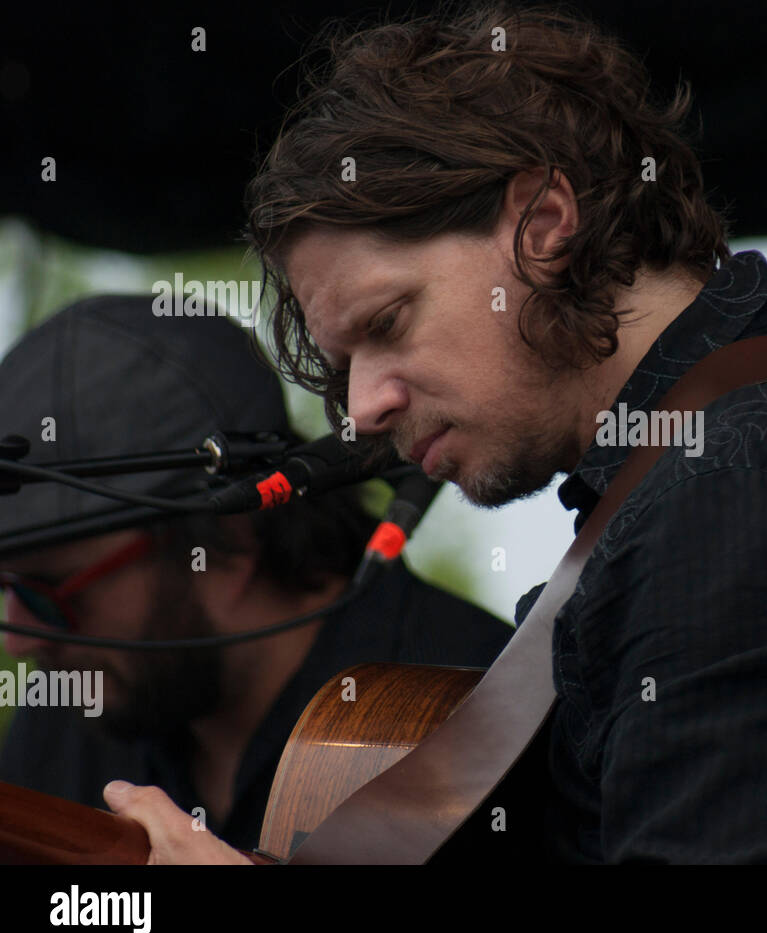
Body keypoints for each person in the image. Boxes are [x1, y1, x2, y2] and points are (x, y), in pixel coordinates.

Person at [106, 3, 767, 863]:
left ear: (545, 222)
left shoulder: (738, 494)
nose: (360, 408)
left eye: (389, 323)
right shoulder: (691, 482)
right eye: (341, 364)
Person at [0, 294, 514, 850]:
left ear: (232, 540)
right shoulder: (72, 723)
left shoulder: (481, 712)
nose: (18, 638)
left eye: (50, 591)